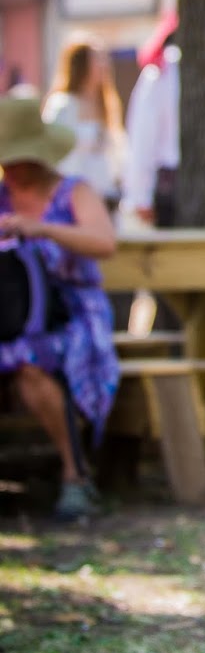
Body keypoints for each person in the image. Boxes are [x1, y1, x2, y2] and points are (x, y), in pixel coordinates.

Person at [0, 92, 119, 520]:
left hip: (74, 313)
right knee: (17, 352)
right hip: (13, 312)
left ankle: (76, 476)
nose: (12, 167)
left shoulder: (73, 192)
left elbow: (105, 243)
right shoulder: (1, 194)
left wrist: (43, 230)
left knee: (30, 363)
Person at [43, 36, 125, 207]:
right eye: (97, 59)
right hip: (73, 198)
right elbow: (53, 150)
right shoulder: (62, 104)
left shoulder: (105, 104)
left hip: (105, 195)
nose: (104, 65)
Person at [121, 14, 180, 228]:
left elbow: (142, 136)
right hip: (169, 187)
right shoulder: (163, 70)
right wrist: (140, 195)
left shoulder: (163, 70)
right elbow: (144, 135)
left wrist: (138, 193)